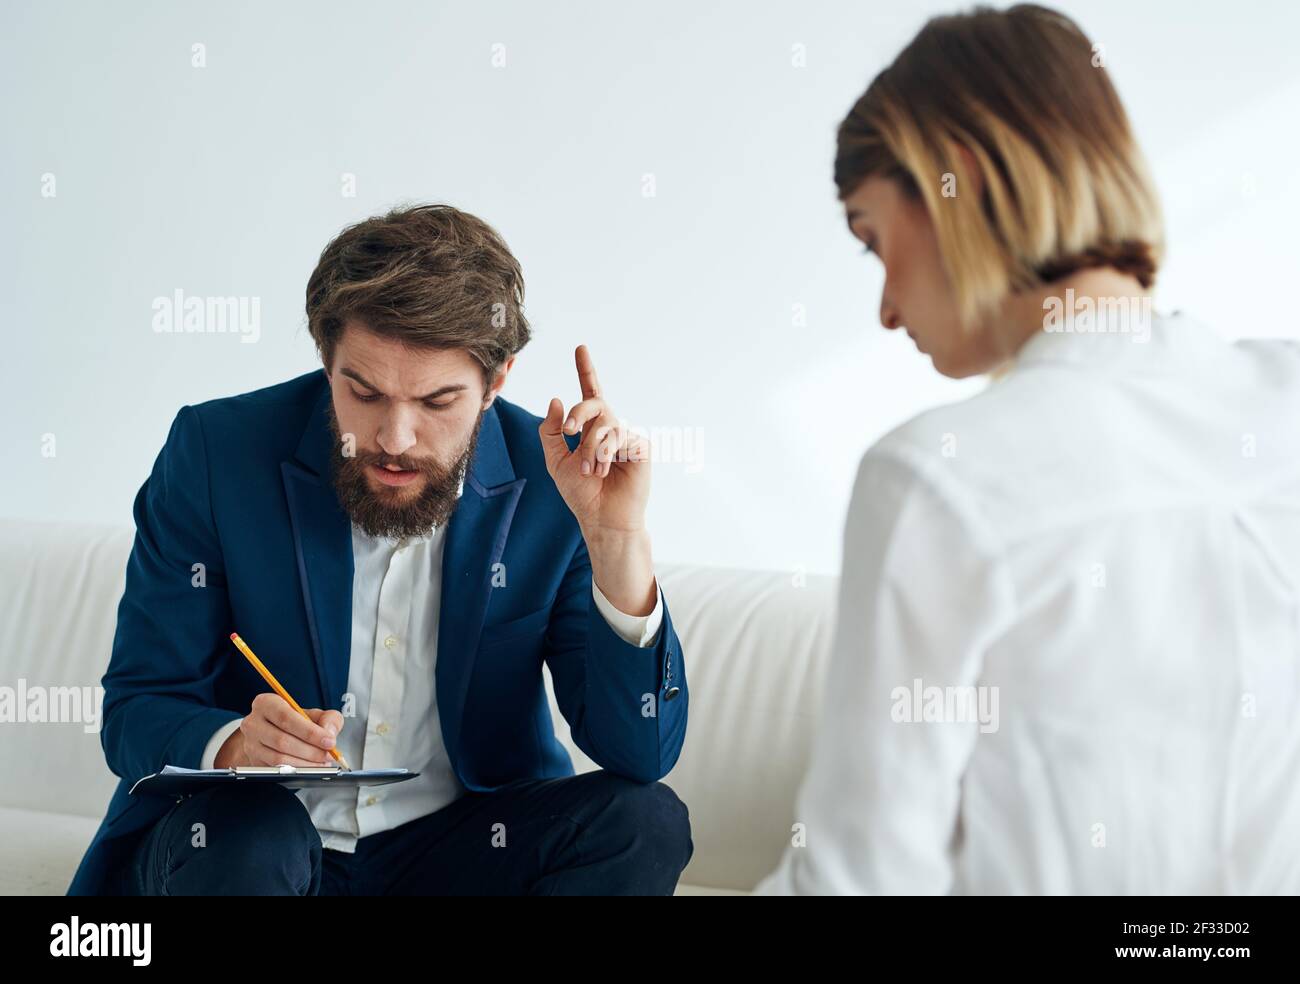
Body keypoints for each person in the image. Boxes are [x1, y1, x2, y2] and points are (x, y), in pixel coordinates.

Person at [754, 4, 1300, 894]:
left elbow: (861, 879)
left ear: (955, 180)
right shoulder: (1286, 401)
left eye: (873, 240)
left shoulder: (932, 477)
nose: (887, 308)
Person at [68, 204, 692, 895]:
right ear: (325, 361)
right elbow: (138, 710)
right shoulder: (218, 453)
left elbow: (639, 753)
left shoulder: (555, 482)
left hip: (463, 850)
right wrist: (233, 745)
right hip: (257, 845)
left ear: (498, 380)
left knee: (645, 821)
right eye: (363, 392)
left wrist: (616, 540)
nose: (395, 438)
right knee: (250, 840)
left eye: (436, 402)